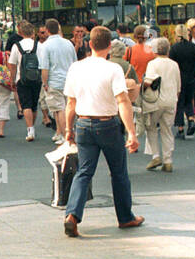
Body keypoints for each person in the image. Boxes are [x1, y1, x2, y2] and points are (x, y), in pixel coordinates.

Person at [60, 26, 143, 237]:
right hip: (108, 124)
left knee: (84, 172)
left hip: (83, 123)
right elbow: (123, 101)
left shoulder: (76, 68)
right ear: (109, 46)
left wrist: (68, 130)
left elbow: (70, 103)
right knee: (119, 172)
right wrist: (132, 133)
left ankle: (72, 215)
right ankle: (125, 217)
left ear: (89, 44)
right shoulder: (113, 69)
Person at [139, 37, 179, 173]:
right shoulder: (174, 64)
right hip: (171, 100)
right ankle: (168, 161)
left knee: (151, 127)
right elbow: (178, 85)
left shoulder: (153, 64)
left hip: (156, 101)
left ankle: (156, 155)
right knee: (167, 130)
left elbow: (150, 82)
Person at [38, 18, 77, 145]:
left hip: (54, 81)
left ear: (47, 30)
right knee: (68, 107)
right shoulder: (68, 44)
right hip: (70, 80)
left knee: (59, 109)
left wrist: (45, 83)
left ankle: (65, 135)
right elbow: (74, 62)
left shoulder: (45, 46)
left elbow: (45, 67)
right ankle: (62, 132)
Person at [9, 21, 42, 142]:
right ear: (33, 32)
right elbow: (43, 63)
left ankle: (30, 129)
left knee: (26, 105)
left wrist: (12, 80)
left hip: (21, 78)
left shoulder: (16, 46)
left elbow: (12, 64)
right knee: (34, 105)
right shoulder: (38, 45)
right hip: (36, 78)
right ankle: (32, 127)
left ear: (21, 32)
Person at [169, 23, 195, 139]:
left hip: (178, 79)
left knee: (179, 103)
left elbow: (171, 65)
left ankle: (181, 129)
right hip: (192, 77)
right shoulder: (193, 47)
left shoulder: (174, 48)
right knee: (189, 101)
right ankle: (191, 119)